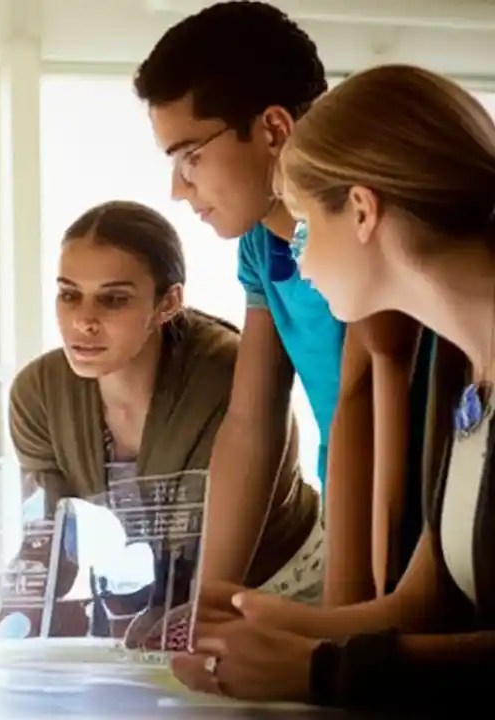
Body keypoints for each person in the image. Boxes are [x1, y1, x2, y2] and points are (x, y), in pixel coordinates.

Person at [171, 64, 492, 709]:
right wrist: (247, 616)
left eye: (308, 229)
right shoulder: (464, 383)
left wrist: (326, 670)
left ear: (364, 211)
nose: (304, 262)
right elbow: (424, 605)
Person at [134, 0, 431, 605]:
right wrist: (207, 601)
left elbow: (369, 404)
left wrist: (346, 621)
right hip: (351, 517)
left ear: (272, 129)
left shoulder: (367, 225)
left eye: (191, 157)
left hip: (425, 520)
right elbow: (251, 425)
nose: (177, 187)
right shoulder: (256, 247)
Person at [9, 201, 322, 644]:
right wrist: (12, 599)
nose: (84, 320)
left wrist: (159, 616)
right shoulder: (36, 395)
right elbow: (52, 536)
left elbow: (210, 562)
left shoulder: (231, 375)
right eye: (69, 294)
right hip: (161, 603)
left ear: (168, 302)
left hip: (282, 588)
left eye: (114, 299)